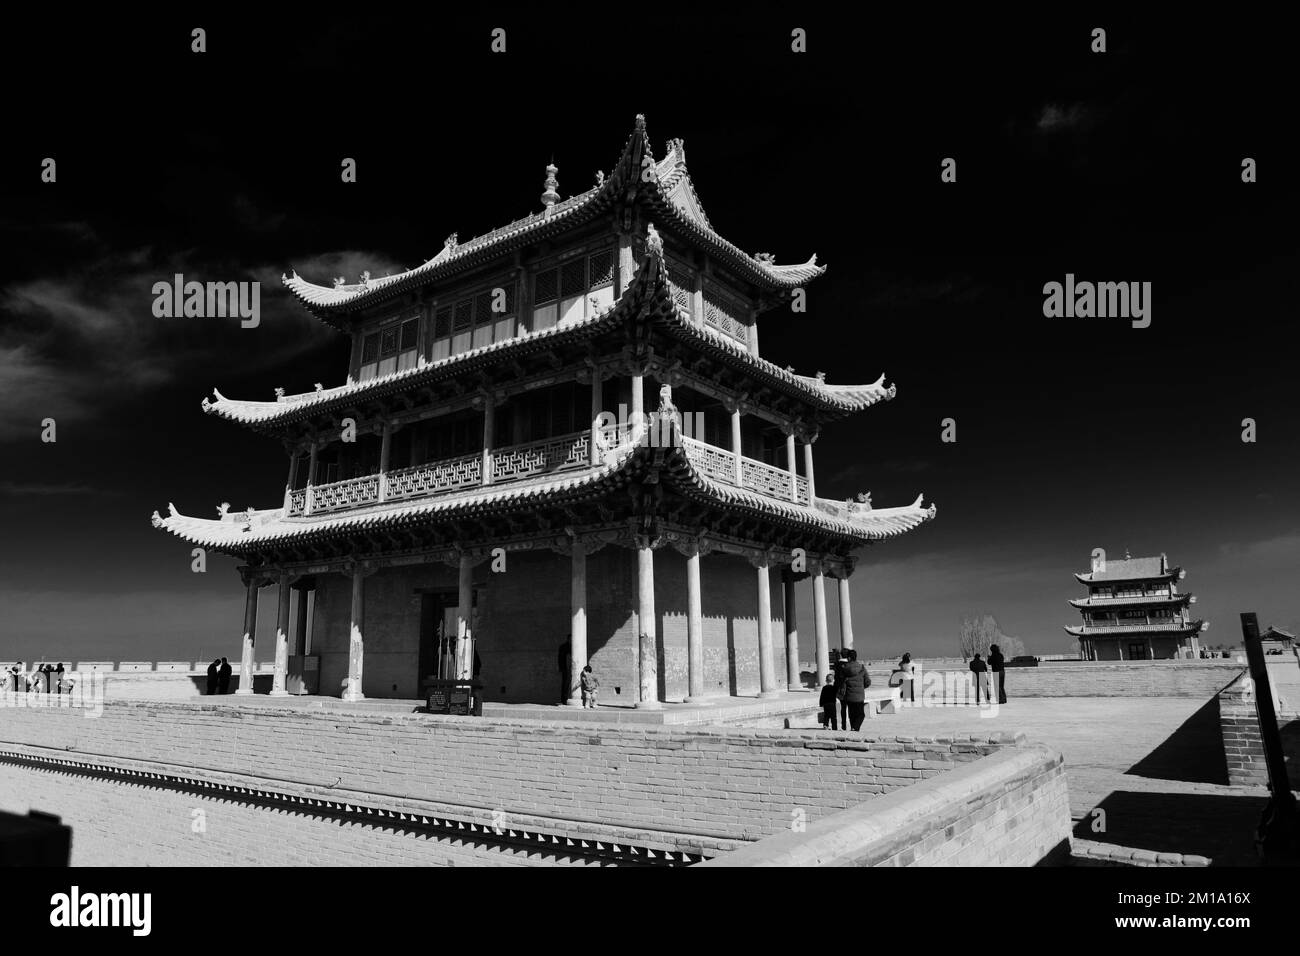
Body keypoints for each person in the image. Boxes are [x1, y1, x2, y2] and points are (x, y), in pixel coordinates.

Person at [840, 650, 871, 731]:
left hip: (849, 695)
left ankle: (853, 729)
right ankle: (855, 728)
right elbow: (868, 682)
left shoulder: (844, 668)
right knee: (861, 715)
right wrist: (861, 687)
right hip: (859, 696)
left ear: (849, 658)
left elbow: (841, 681)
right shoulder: (862, 668)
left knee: (852, 715)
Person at [558, 638, 572, 704]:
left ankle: (566, 698)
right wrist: (561, 667)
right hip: (566, 668)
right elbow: (560, 658)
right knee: (565, 684)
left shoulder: (573, 646)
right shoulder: (564, 647)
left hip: (570, 668)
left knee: (567, 684)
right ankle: (564, 699)